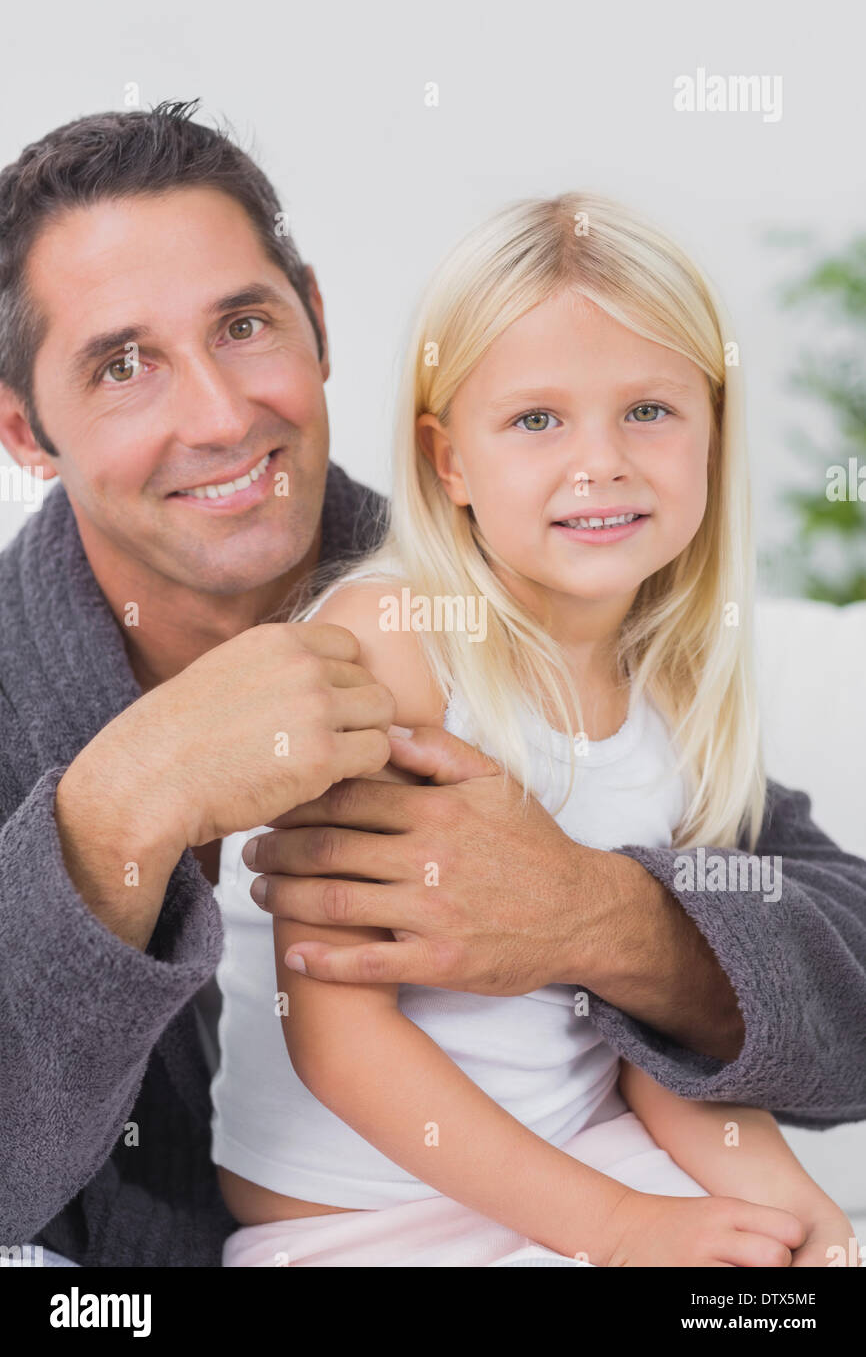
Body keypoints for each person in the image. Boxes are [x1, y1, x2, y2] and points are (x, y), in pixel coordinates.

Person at [0, 104, 863, 1269]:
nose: (215, 413)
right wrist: (113, 817)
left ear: (315, 315)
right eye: (121, 364)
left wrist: (605, 919)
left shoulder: (528, 592)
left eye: (245, 324)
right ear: (24, 429)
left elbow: (836, 974)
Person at [211, 194, 857, 1267]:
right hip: (365, 1225)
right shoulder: (396, 640)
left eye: (647, 410)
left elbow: (658, 1044)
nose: (598, 461)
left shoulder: (678, 685)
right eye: (535, 419)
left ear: (712, 429)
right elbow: (338, 1040)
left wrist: (799, 1218)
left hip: (590, 1163)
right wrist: (615, 1229)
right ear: (448, 461)